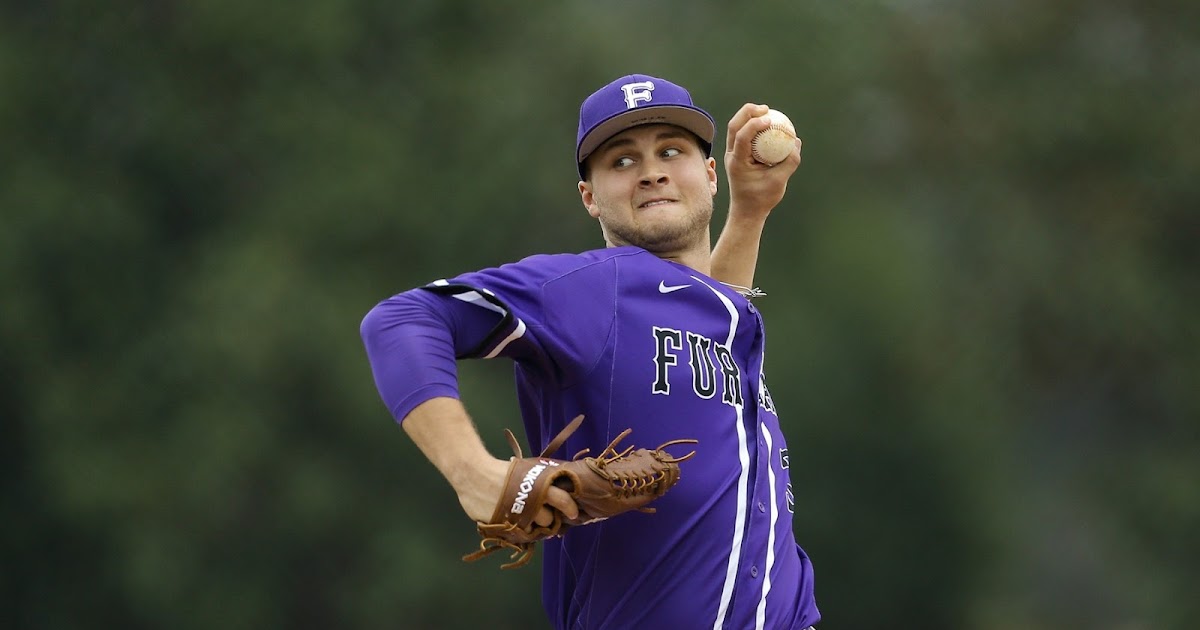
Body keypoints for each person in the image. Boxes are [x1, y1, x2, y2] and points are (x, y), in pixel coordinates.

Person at [360, 73, 820, 629]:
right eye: (621, 160)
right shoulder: (590, 289)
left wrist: (750, 211)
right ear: (590, 198)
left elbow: (705, 316)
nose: (651, 171)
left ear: (707, 173)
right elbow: (402, 319)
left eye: (670, 151)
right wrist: (473, 473)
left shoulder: (722, 317)